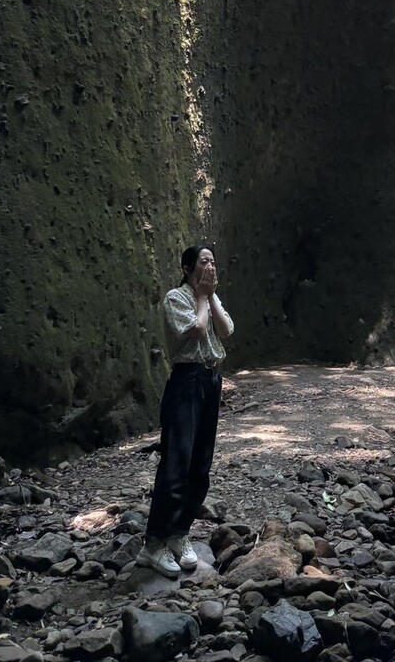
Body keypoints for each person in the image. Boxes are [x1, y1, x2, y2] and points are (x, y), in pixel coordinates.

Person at [136, 245, 234, 579]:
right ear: (187, 267)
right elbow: (195, 330)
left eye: (213, 261)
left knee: (200, 464)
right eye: (204, 262)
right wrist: (204, 299)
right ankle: (153, 544)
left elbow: (226, 330)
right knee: (176, 462)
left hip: (210, 380)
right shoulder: (176, 298)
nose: (211, 266)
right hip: (186, 381)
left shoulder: (212, 296)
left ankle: (179, 533)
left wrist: (211, 297)